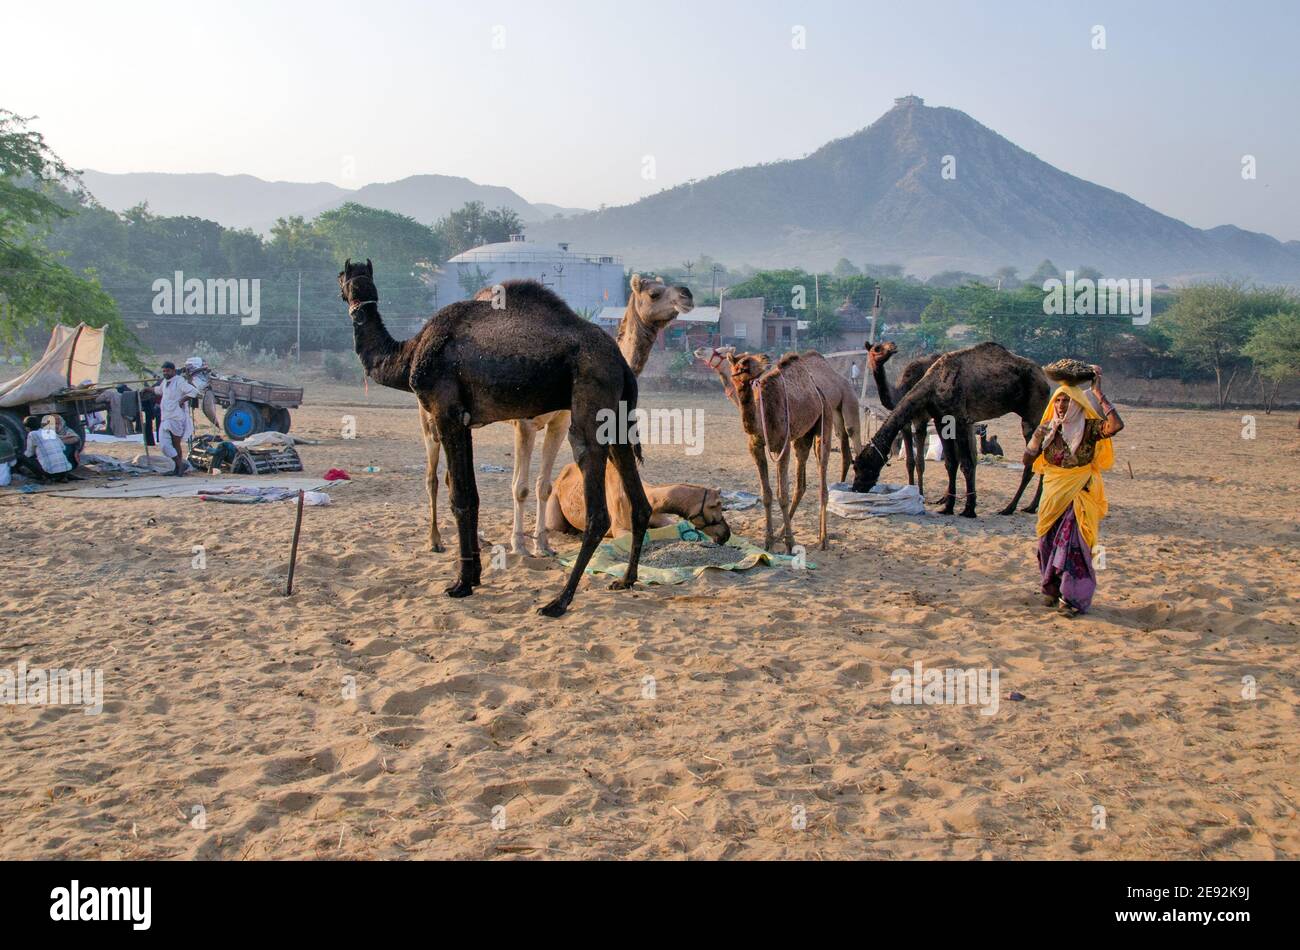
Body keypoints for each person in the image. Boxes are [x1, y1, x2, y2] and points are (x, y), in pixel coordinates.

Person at [1023, 365, 1124, 615]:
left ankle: (1071, 599)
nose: (1060, 406)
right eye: (1058, 401)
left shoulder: (1089, 429)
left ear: (1078, 403)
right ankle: (1052, 590)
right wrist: (1034, 442)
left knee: (1074, 547)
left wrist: (1098, 394)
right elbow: (1027, 461)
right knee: (1047, 544)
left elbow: (1116, 426)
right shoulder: (1047, 429)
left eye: (1066, 401)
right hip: (1053, 495)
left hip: (1079, 496)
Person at [154, 361, 199, 476]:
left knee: (176, 444)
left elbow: (193, 391)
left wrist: (182, 400)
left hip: (176, 417)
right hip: (166, 417)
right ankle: (180, 465)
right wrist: (147, 390)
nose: (165, 373)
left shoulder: (179, 381)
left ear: (173, 371)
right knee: (164, 445)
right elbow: (159, 390)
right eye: (164, 371)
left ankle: (178, 468)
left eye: (167, 371)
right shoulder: (165, 382)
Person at [21, 415, 75, 482]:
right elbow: (63, 447)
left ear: (27, 428)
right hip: (65, 470)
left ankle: (42, 477)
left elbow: (29, 453)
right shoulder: (50, 432)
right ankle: (62, 477)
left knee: (23, 458)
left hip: (50, 472)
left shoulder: (32, 434)